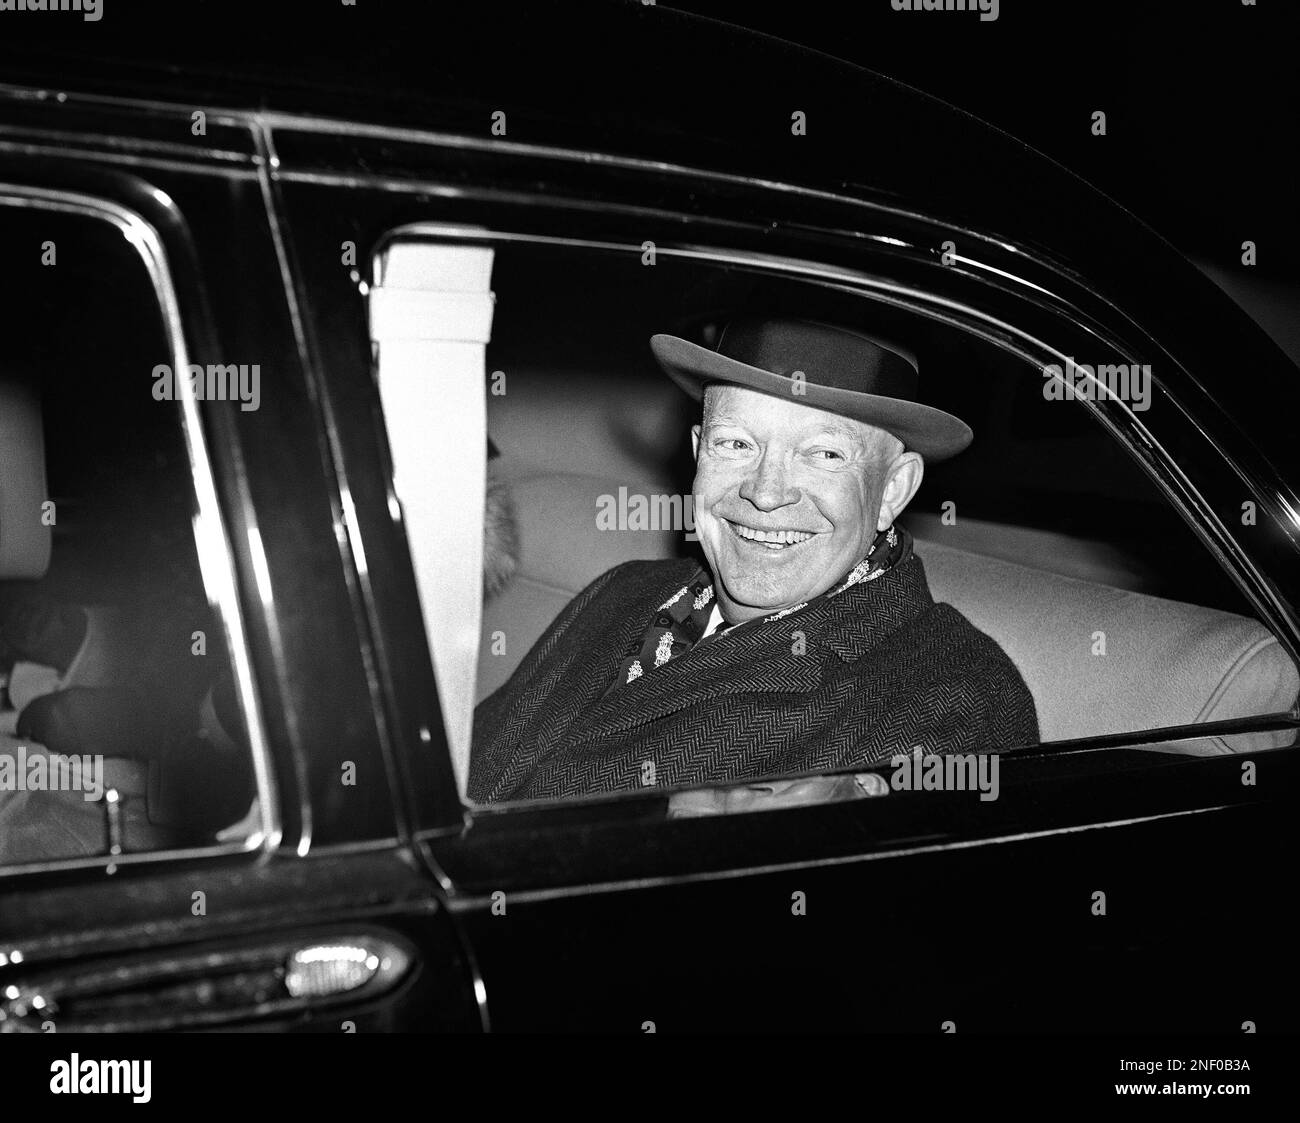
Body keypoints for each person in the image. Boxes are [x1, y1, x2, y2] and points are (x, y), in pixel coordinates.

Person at [470, 317, 1038, 804]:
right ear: (697, 454)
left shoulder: (956, 698)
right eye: (735, 443)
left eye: (824, 454)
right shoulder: (623, 589)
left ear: (892, 490)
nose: (765, 494)